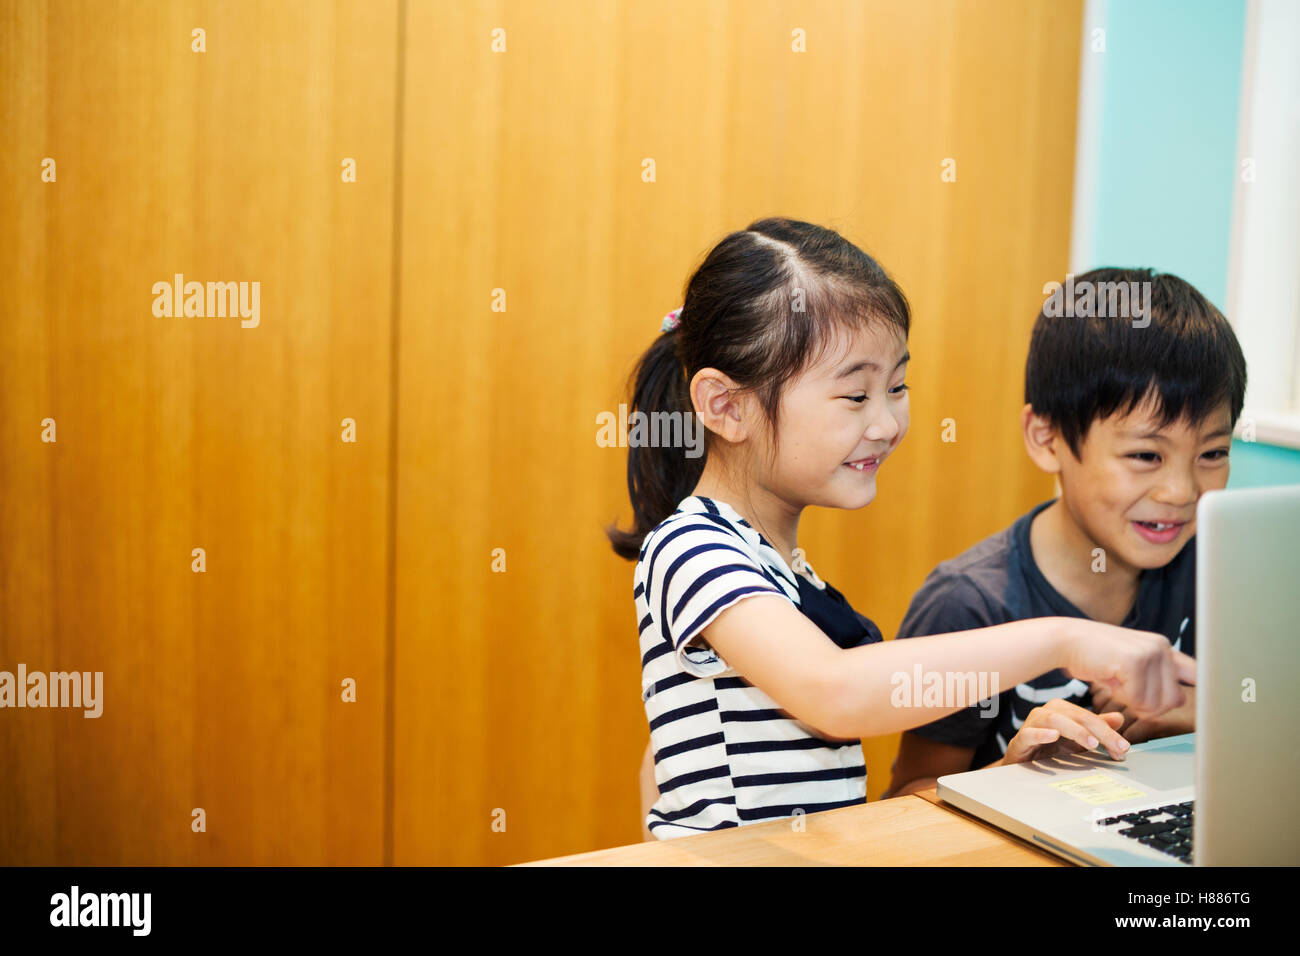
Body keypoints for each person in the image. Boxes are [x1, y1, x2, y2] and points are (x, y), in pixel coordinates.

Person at [608, 221, 1194, 839]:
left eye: (897, 387)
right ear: (727, 407)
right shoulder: (692, 547)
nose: (888, 424)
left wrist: (1003, 773)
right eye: (856, 396)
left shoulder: (780, 566)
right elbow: (835, 693)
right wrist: (1063, 641)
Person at [886, 268, 1246, 798]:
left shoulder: (1221, 571)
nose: (1181, 491)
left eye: (1212, 454)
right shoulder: (967, 607)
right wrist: (1009, 776)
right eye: (1146, 455)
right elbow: (901, 800)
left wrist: (1216, 715)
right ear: (1047, 438)